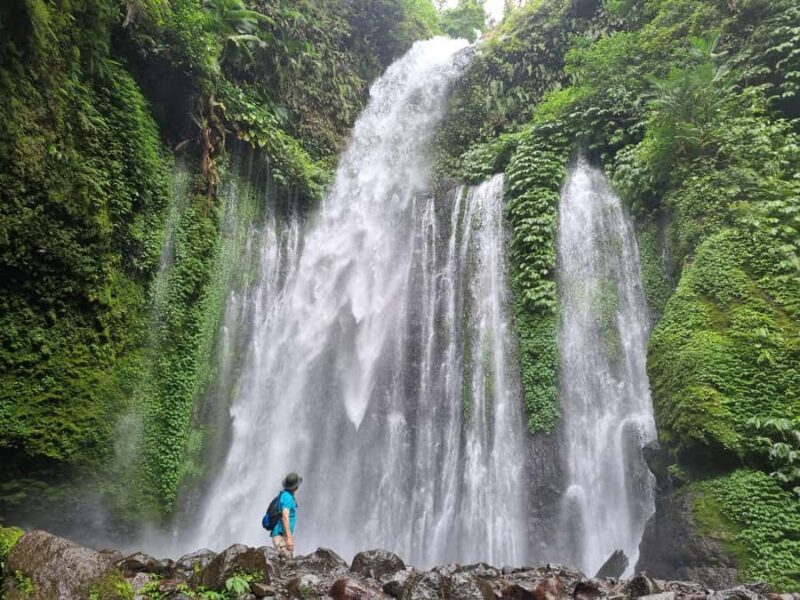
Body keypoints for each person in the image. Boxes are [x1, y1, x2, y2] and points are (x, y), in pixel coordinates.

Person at [271, 472, 302, 558]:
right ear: (296, 487)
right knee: (286, 561)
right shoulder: (287, 498)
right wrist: (289, 538)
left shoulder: (284, 494)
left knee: (286, 562)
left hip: (281, 535)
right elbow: (285, 517)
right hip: (281, 536)